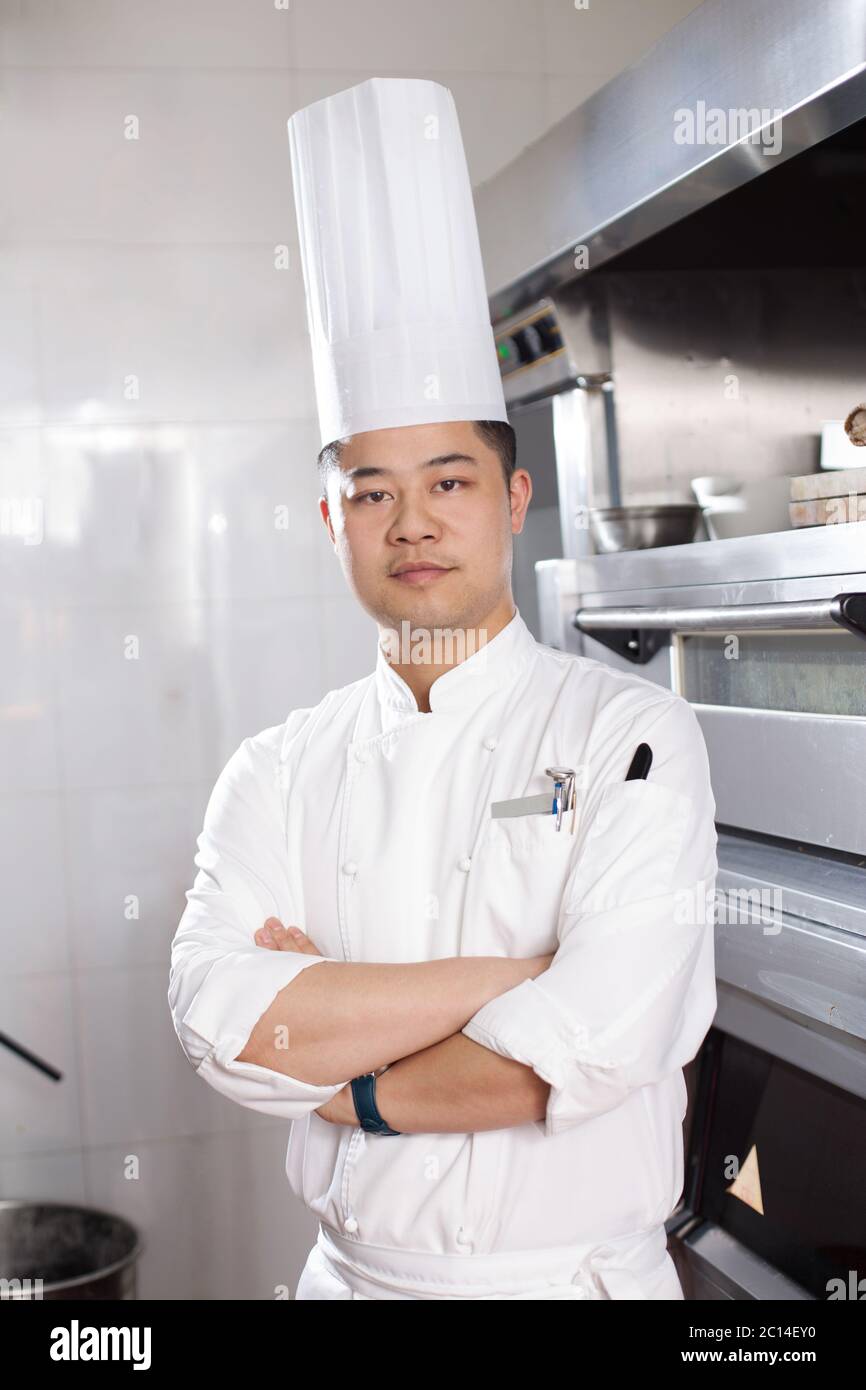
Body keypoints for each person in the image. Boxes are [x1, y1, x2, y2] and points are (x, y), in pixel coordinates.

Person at [167, 78, 718, 1301]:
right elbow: (219, 1021)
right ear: (331, 521)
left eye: (450, 482)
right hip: (350, 1282)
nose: (410, 523)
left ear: (513, 502)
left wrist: (338, 1073)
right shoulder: (276, 766)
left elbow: (590, 1046)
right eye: (371, 491)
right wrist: (522, 980)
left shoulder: (631, 732)